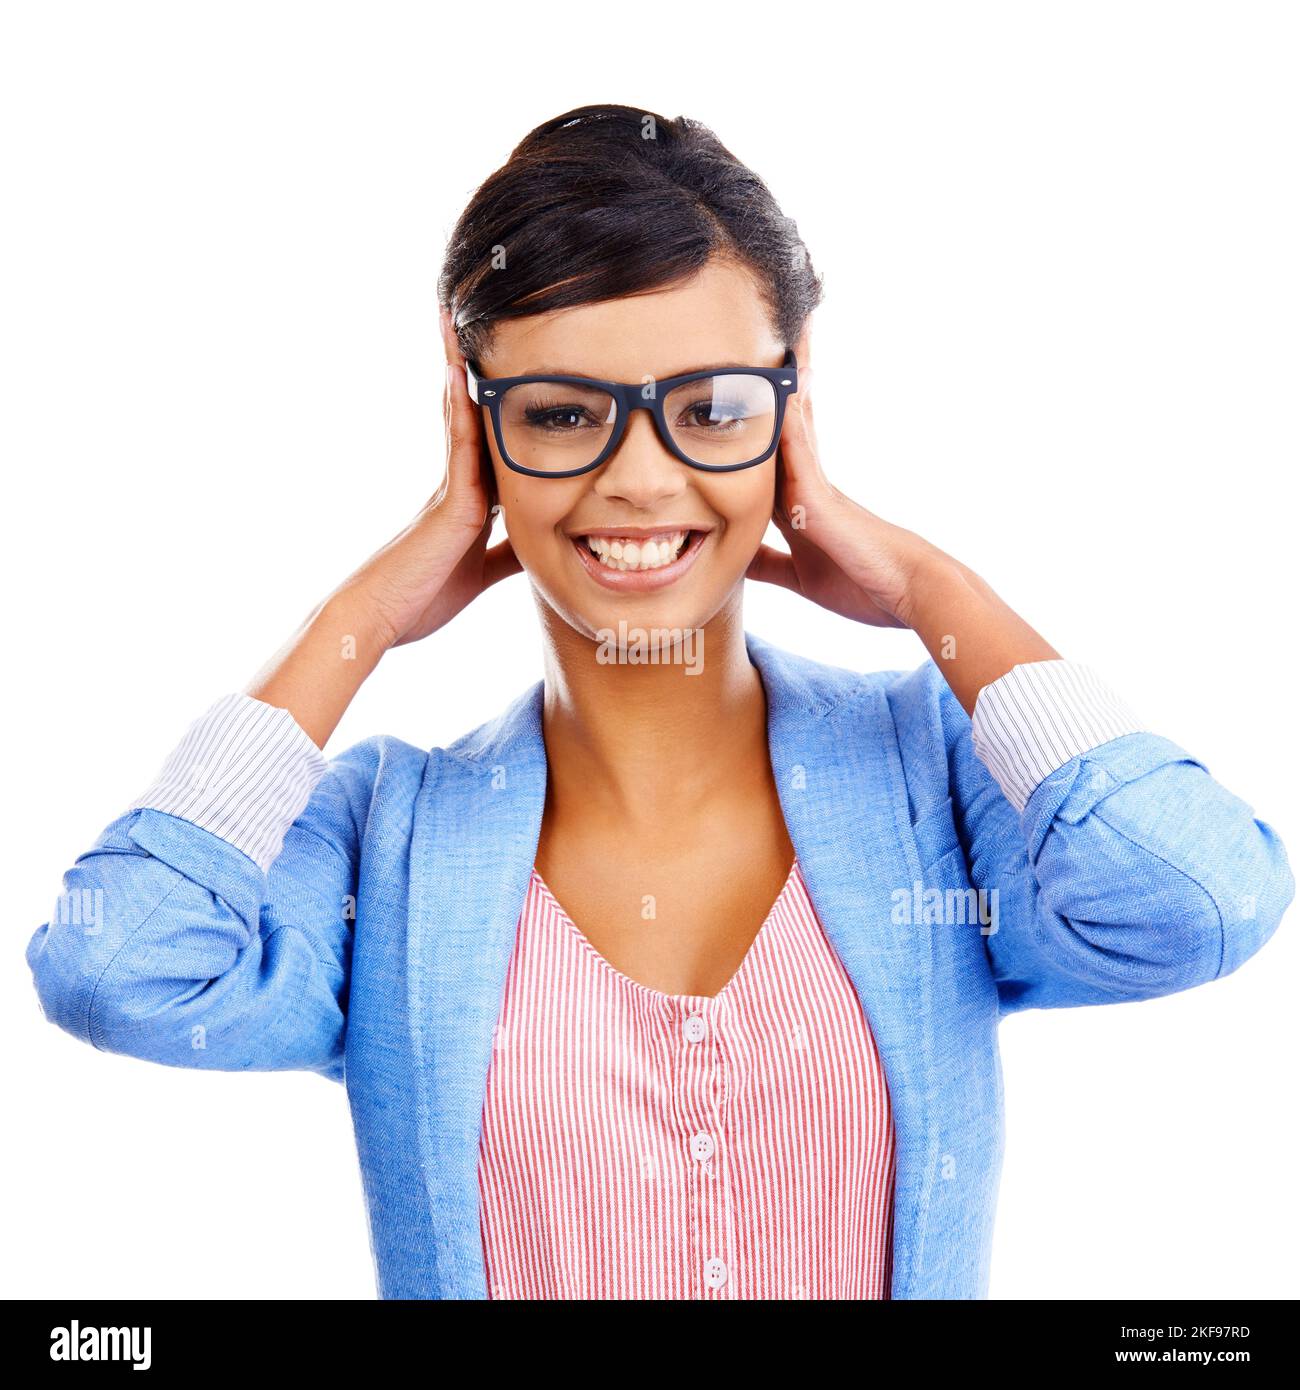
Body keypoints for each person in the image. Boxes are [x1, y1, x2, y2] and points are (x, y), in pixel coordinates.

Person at [26, 103, 1293, 1300]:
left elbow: (1199, 902)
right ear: (476, 432)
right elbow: (114, 966)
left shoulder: (936, 783)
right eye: (564, 412)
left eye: (711, 408)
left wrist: (929, 586)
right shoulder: (384, 840)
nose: (640, 477)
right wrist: (356, 621)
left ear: (792, 403)